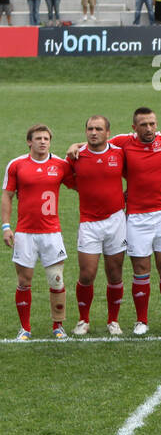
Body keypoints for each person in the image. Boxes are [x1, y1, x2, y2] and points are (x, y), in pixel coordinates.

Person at [104, 108, 161, 335]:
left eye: (152, 124)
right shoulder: (123, 143)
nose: (149, 128)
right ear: (134, 127)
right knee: (141, 268)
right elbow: (97, 144)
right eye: (143, 125)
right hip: (136, 217)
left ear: (157, 124)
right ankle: (141, 321)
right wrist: (74, 147)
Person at [3, 125, 74, 340]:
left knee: (56, 279)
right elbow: (7, 195)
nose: (43, 142)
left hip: (52, 233)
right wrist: (6, 226)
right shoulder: (17, 165)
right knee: (24, 280)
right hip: (25, 233)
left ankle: (58, 325)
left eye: (46, 138)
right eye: (38, 138)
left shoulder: (61, 165)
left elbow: (83, 184)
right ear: (29, 142)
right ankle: (25, 328)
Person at [67, 116, 127, 336]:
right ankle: (84, 320)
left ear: (108, 133)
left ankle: (113, 321)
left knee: (114, 273)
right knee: (87, 274)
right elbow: (66, 178)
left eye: (99, 129)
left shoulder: (119, 153)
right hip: (89, 222)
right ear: (85, 132)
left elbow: (136, 175)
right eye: (90, 129)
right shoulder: (76, 155)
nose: (94, 132)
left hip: (116, 220)